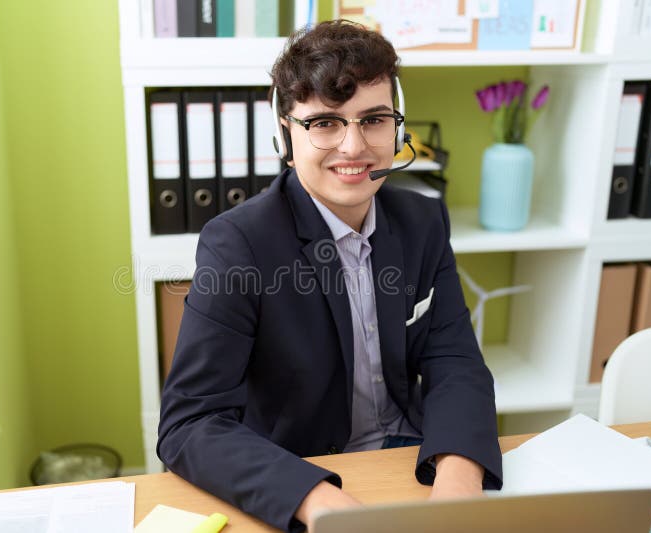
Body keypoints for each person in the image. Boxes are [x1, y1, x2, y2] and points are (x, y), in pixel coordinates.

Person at [157, 20, 503, 533]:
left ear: (397, 127)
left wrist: (459, 481)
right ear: (286, 135)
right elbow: (189, 423)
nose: (353, 146)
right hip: (303, 477)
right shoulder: (238, 244)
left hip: (409, 464)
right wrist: (316, 499)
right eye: (324, 123)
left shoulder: (424, 221)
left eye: (374, 119)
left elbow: (454, 359)